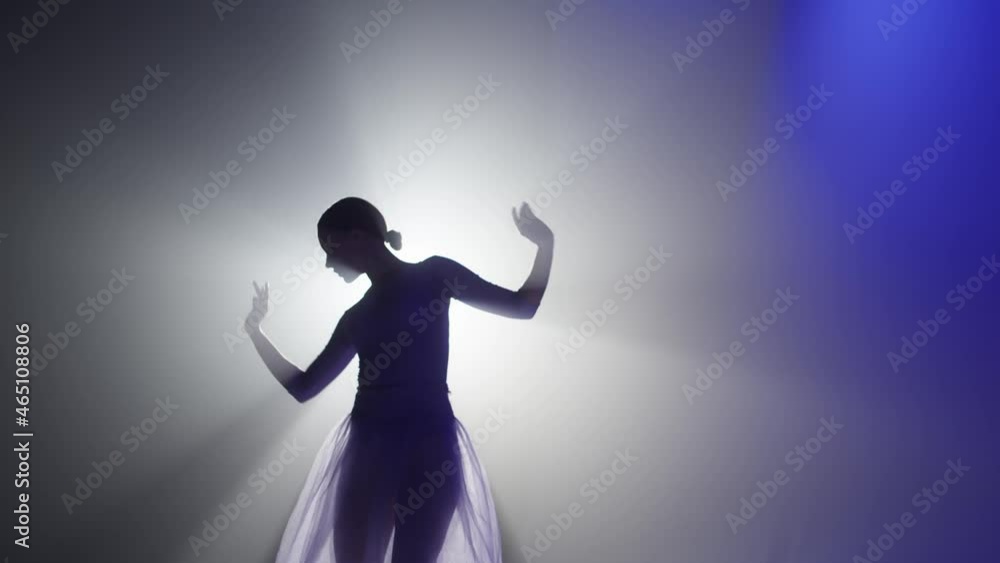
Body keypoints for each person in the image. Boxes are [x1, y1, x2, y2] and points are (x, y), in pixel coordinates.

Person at [245, 197, 554, 563]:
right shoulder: (359, 315)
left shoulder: (429, 277)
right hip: (390, 445)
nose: (328, 262)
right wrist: (255, 333)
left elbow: (522, 307)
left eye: (330, 246)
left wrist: (545, 245)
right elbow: (305, 387)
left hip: (418, 447)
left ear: (357, 236)